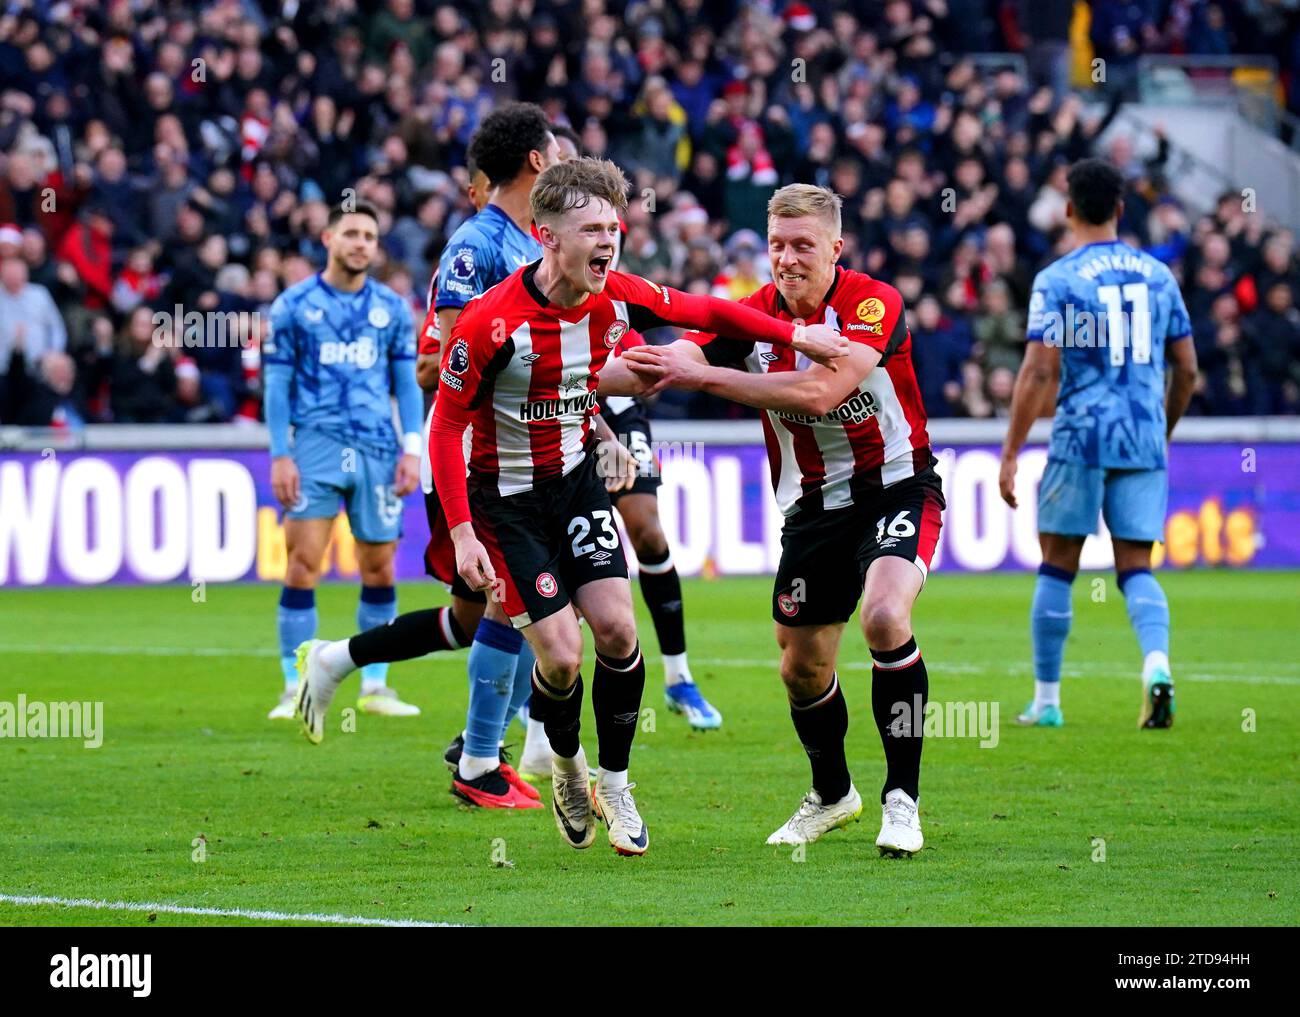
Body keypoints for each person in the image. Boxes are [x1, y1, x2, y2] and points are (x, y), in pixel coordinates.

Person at [425, 158, 847, 855]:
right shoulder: (490, 322)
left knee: (619, 631)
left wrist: (796, 336)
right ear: (547, 235)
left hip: (576, 483)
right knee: (561, 657)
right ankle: (566, 768)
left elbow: (703, 309)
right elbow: (446, 425)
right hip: (505, 503)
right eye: (591, 229)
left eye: (613, 227)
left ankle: (614, 782)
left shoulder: (610, 293)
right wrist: (465, 534)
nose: (608, 242)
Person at [619, 183, 942, 857]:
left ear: (835, 247)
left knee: (886, 616)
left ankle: (902, 800)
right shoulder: (751, 318)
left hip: (896, 491)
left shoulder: (872, 303)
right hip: (811, 511)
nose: (788, 259)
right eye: (776, 245)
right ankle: (832, 793)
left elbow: (823, 393)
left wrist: (704, 379)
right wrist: (581, 370)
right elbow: (672, 361)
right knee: (800, 666)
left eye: (803, 245)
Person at [291, 104, 561, 811]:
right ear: (536, 159)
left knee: (476, 617)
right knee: (523, 596)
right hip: (475, 455)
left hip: (527, 450)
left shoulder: (536, 241)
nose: (564, 160)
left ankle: (336, 658)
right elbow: (448, 359)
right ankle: (481, 758)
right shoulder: (478, 247)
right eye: (557, 150)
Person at [998, 158, 1199, 729]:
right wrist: (1160, 431)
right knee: (1137, 566)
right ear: (1120, 209)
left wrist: (1012, 452)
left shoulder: (1058, 280)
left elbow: (1039, 372)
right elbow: (1187, 370)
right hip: (1141, 436)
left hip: (1081, 436)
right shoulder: (1159, 276)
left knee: (1058, 565)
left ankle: (1047, 700)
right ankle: (1156, 664)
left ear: (1068, 209)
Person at [553, 121, 722, 730]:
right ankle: (539, 693)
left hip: (615, 402)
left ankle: (678, 677)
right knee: (556, 549)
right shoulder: (540, 262)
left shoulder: (618, 268)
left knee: (647, 531)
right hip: (557, 407)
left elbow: (681, 319)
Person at [262, 199, 422, 721]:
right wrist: (282, 454)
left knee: (378, 568)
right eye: (351, 233)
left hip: (378, 446)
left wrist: (412, 448)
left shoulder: (393, 310)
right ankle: (294, 687)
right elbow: (278, 384)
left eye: (369, 236)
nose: (360, 243)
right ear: (328, 239)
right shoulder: (294, 306)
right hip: (315, 445)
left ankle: (375, 685)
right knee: (303, 564)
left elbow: (406, 384)